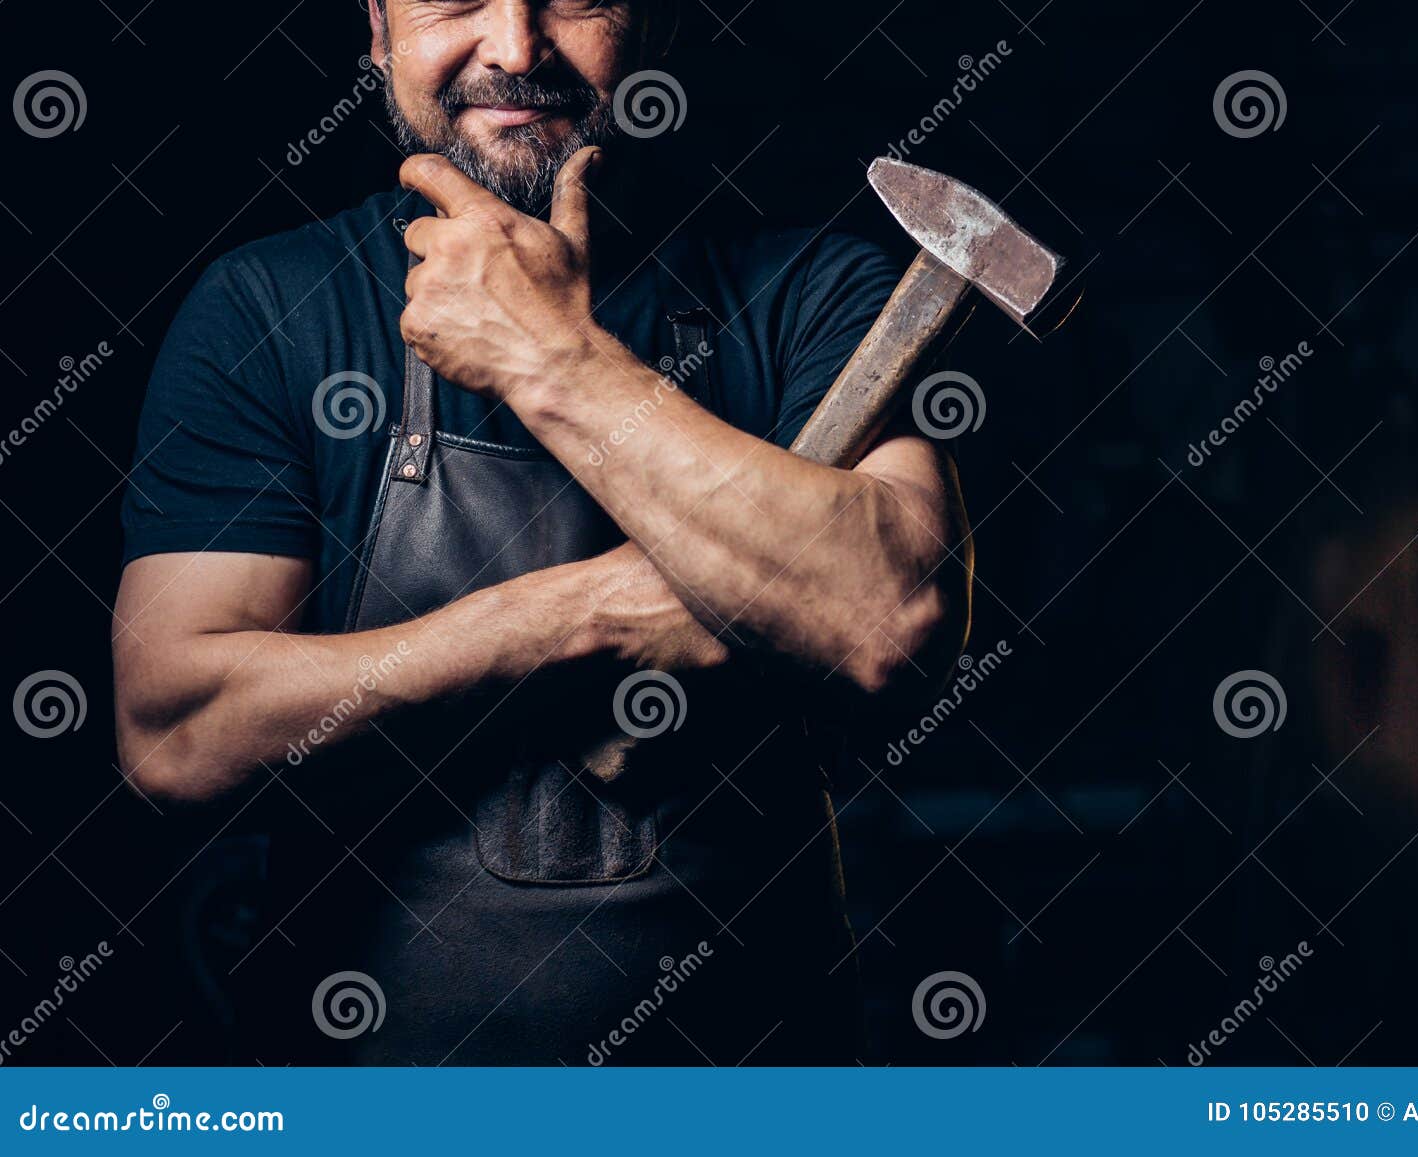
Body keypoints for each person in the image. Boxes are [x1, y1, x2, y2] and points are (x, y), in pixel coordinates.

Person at [112, 0, 971, 1064]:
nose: (517, 48)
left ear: (655, 28)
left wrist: (551, 356)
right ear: (378, 32)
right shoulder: (268, 310)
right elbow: (177, 731)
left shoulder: (817, 297)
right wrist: (584, 615)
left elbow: (889, 622)